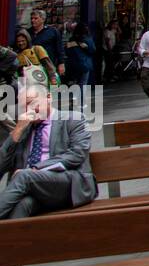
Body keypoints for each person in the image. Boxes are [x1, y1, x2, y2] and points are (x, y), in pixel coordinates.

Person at [0, 84, 96, 230]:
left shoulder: (73, 119)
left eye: (32, 103)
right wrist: (17, 131)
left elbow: (77, 154)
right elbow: (2, 165)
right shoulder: (23, 129)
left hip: (66, 184)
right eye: (23, 107)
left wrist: (36, 170)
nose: (28, 110)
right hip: (34, 189)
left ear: (49, 98)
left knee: (24, 176)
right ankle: (15, 249)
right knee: (23, 205)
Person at [29, 10, 64, 83]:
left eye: (35, 18)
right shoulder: (28, 32)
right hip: (33, 67)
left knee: (52, 88)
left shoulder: (52, 31)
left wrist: (61, 63)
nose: (32, 20)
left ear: (43, 19)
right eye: (31, 18)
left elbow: (59, 48)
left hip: (50, 66)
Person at [64, 22, 95, 88]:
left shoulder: (71, 39)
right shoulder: (88, 39)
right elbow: (92, 50)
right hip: (84, 64)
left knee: (75, 83)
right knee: (83, 83)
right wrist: (86, 47)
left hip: (73, 64)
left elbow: (67, 51)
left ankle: (75, 96)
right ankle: (80, 97)